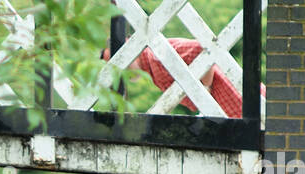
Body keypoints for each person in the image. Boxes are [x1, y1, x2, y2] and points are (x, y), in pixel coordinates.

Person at [103, 37, 265, 119]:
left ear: (128, 44)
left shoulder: (156, 57)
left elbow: (202, 48)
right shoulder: (152, 66)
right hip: (237, 106)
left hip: (241, 102)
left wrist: (205, 89)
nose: (119, 71)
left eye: (116, 62)